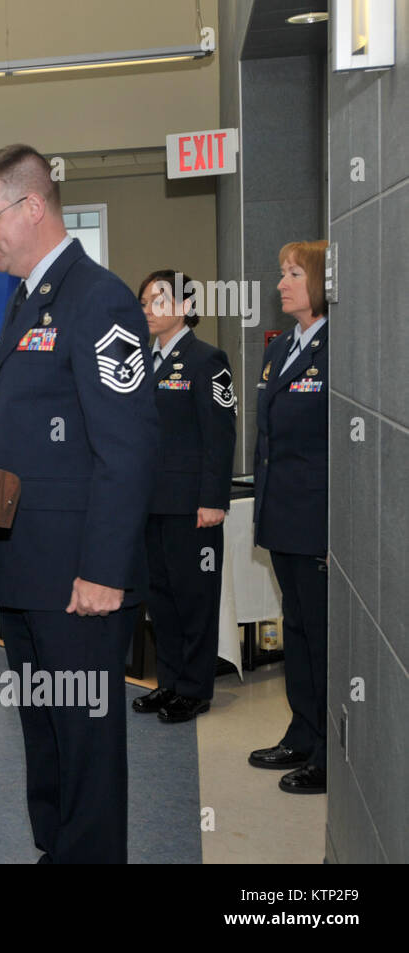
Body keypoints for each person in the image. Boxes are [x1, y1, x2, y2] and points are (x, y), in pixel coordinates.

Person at [0, 144, 160, 864]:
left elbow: (128, 447)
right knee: (43, 732)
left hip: (80, 578)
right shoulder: (27, 296)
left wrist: (104, 570)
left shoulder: (98, 298)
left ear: (32, 206)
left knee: (85, 739)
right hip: (27, 569)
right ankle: (57, 850)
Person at [131, 271, 236, 723]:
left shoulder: (206, 359)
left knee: (194, 597)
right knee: (161, 599)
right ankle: (170, 682)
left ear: (185, 306)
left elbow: (220, 436)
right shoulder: (141, 362)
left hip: (192, 506)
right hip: (149, 503)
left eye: (159, 299)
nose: (149, 308)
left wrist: (214, 499)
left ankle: (194, 689)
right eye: (144, 301)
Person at [249, 240, 329, 794]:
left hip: (320, 519)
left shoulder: (338, 345)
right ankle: (302, 734)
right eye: (282, 273)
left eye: (293, 273)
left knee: (323, 638)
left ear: (321, 280)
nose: (281, 283)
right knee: (296, 632)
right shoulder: (281, 348)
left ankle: (328, 753)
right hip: (282, 513)